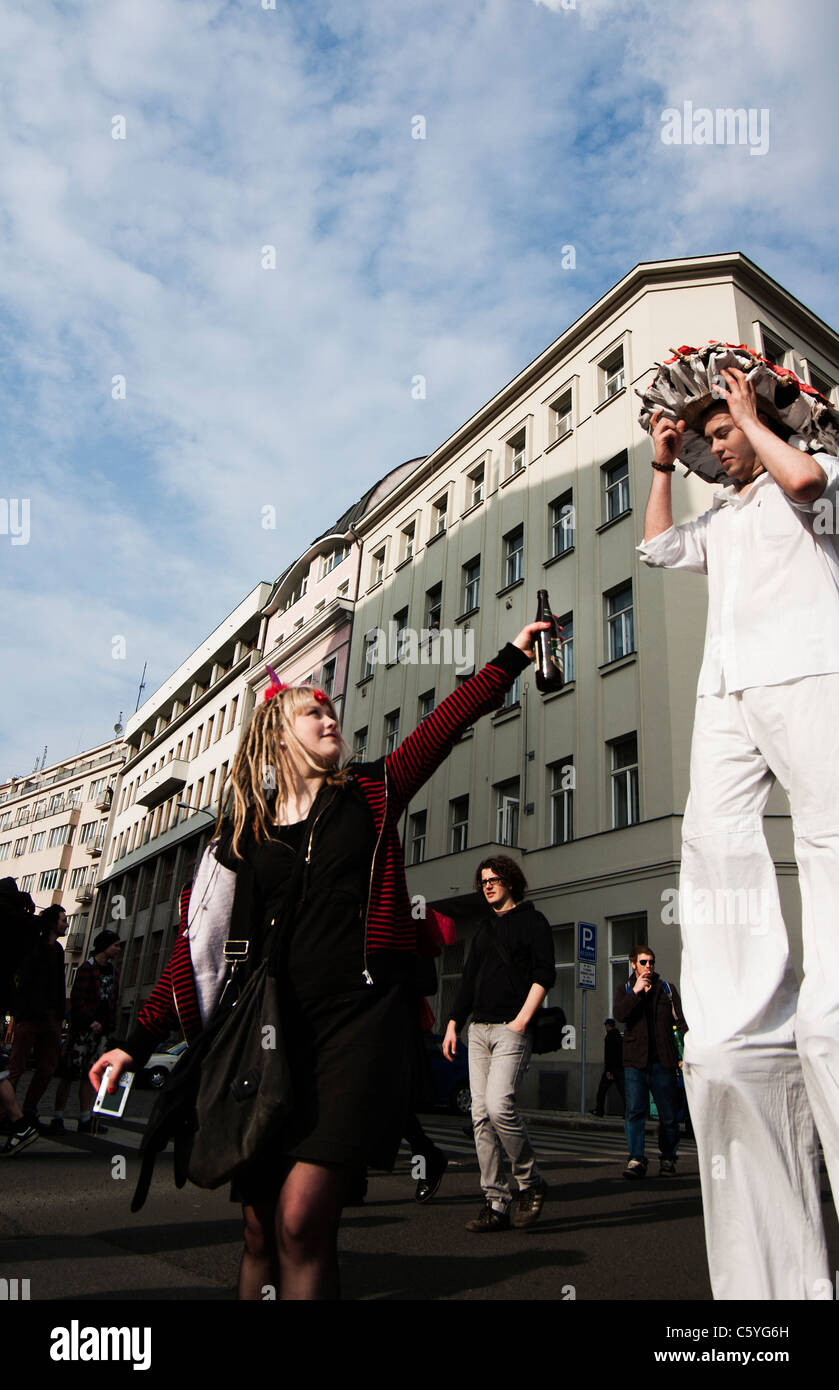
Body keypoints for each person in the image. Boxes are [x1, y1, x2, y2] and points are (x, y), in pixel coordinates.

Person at [92, 624, 546, 1300]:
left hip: (358, 1027)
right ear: (278, 733)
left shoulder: (371, 791)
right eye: (314, 712)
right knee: (258, 1231)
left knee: (302, 1221)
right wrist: (135, 1041)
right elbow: (199, 955)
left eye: (332, 712)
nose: (331, 719)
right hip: (269, 1038)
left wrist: (510, 657)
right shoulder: (238, 840)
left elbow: (444, 722)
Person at [639, 362, 839, 1298]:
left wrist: (753, 414)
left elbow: (798, 480)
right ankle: (737, 1008)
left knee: (827, 840)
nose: (720, 447)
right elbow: (654, 549)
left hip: (809, 671)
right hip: (726, 691)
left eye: (723, 433)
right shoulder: (717, 519)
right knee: (713, 846)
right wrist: (662, 463)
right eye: (713, 438)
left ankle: (822, 1000)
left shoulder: (814, 472)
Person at [442, 855, 556, 1232]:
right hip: (478, 1031)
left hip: (511, 1030)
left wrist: (521, 1021)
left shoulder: (533, 921)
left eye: (494, 879)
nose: (488, 885)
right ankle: (495, 1201)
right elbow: (469, 980)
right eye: (483, 881)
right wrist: (454, 1023)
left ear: (511, 882)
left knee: (499, 1106)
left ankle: (529, 1181)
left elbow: (544, 975)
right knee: (479, 1117)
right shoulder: (484, 929)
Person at [612, 945, 686, 1178]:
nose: (648, 966)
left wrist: (685, 1053)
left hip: (663, 1061)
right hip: (635, 1061)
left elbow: (681, 1023)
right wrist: (635, 992)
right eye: (643, 962)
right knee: (635, 1111)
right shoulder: (625, 989)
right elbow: (620, 1015)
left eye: (651, 962)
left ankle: (667, 1158)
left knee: (668, 1114)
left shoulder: (666, 989)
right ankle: (636, 1159)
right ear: (633, 964)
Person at [52, 930, 122, 1134]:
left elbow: (113, 1002)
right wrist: (90, 1021)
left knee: (90, 1075)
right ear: (105, 946)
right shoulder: (87, 969)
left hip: (100, 1033)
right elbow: (78, 999)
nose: (118, 949)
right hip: (83, 1031)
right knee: (69, 1075)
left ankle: (85, 1117)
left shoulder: (113, 972)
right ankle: (58, 1116)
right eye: (115, 945)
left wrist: (107, 1026)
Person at [7, 905, 67, 1128]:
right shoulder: (34, 947)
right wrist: (23, 1011)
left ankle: (29, 1111)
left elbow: (58, 984)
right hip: (31, 1015)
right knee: (16, 1067)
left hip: (50, 1016)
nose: (66, 924)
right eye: (63, 920)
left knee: (47, 1068)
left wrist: (58, 1014)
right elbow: (26, 981)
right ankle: (7, 1114)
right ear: (52, 923)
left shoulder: (59, 951)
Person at [590, 1018, 624, 1117]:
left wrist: (608, 1070)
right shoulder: (618, 1036)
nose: (605, 1027)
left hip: (612, 1068)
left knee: (601, 1091)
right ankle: (628, 1112)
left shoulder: (610, 1037)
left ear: (608, 1026)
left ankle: (599, 1110)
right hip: (619, 1068)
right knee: (623, 1091)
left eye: (606, 1025)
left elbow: (609, 1054)